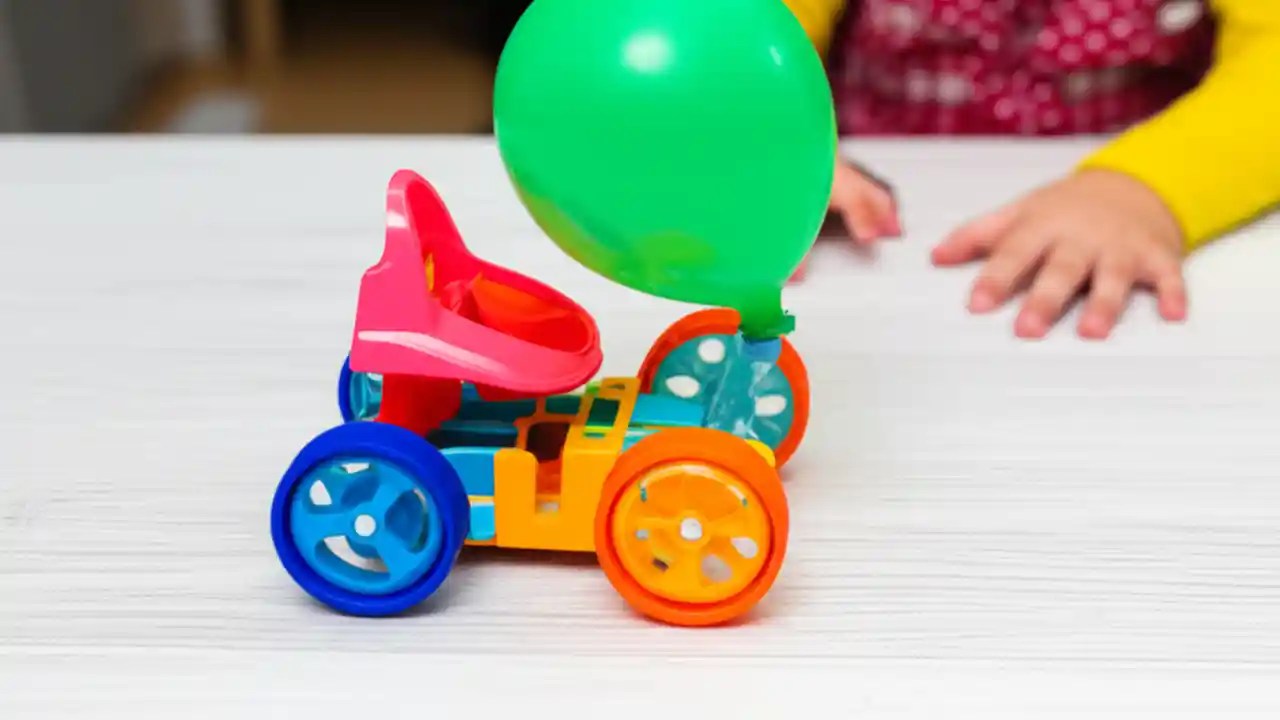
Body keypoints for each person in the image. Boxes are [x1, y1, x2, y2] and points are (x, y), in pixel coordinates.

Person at [785, 0, 1280, 339]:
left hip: (1133, 171)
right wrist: (768, 136)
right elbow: (749, 22)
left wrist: (1145, 187)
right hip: (880, 224)